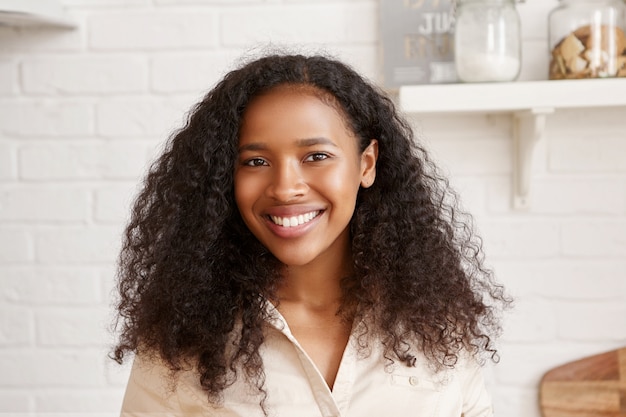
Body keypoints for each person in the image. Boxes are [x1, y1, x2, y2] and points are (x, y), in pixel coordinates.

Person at [112, 52, 510, 417]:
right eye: (256, 161)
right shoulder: (181, 337)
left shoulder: (435, 323)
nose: (285, 187)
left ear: (366, 164)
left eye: (316, 157)